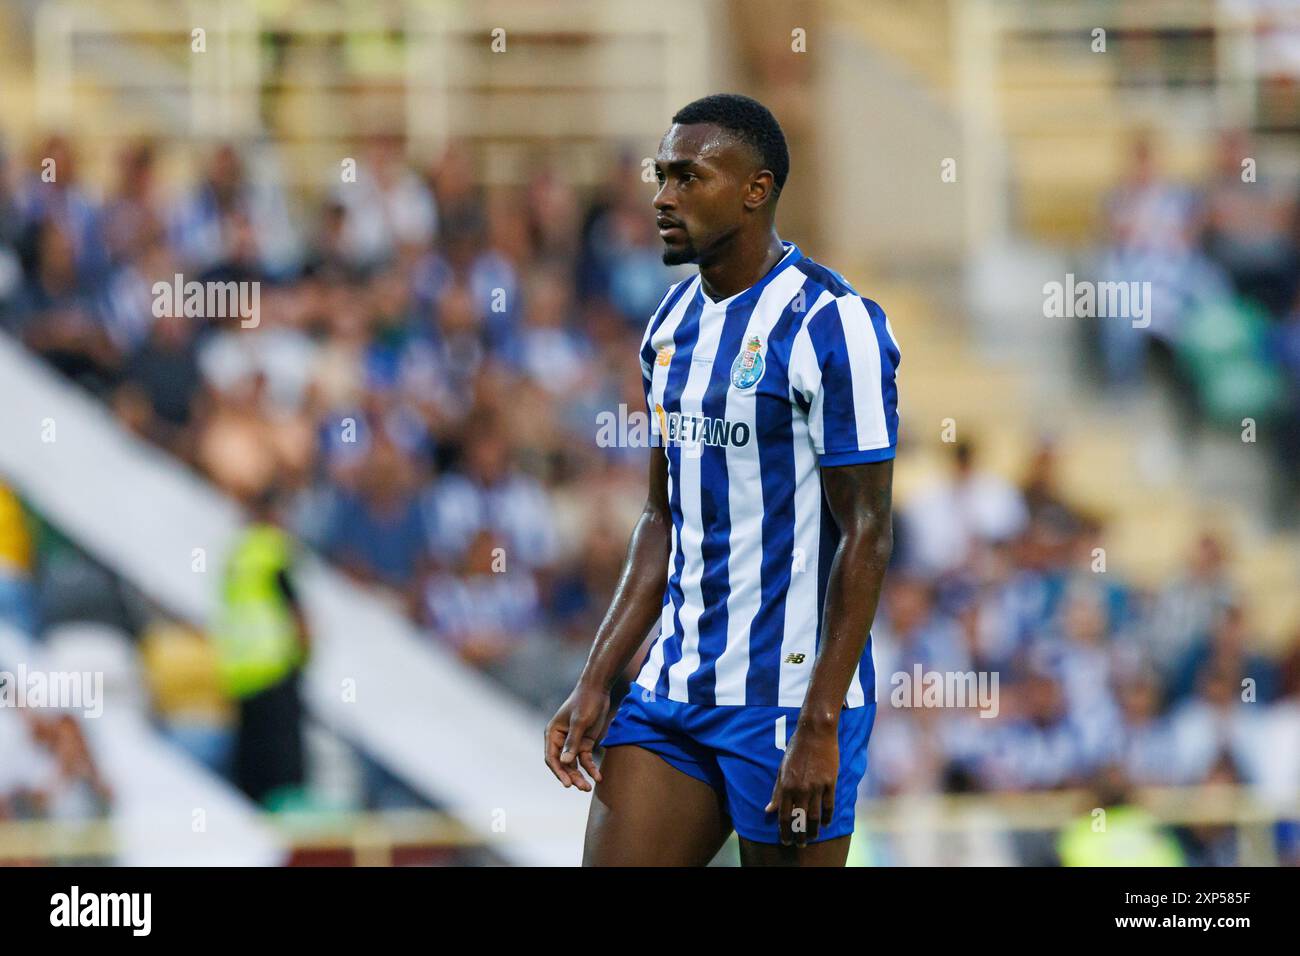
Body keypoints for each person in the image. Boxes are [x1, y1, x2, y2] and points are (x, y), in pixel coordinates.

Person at [544, 94, 900, 866]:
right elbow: (660, 519)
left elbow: (868, 536)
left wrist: (822, 722)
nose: (663, 197)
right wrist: (601, 677)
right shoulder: (670, 325)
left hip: (784, 707)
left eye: (687, 177)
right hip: (673, 692)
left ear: (755, 189)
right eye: (661, 176)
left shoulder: (833, 325)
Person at [212, 487, 311, 806]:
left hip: (241, 670)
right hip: (275, 665)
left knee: (252, 763)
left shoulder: (235, 556)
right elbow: (293, 607)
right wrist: (305, 652)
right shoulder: (273, 548)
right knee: (284, 765)